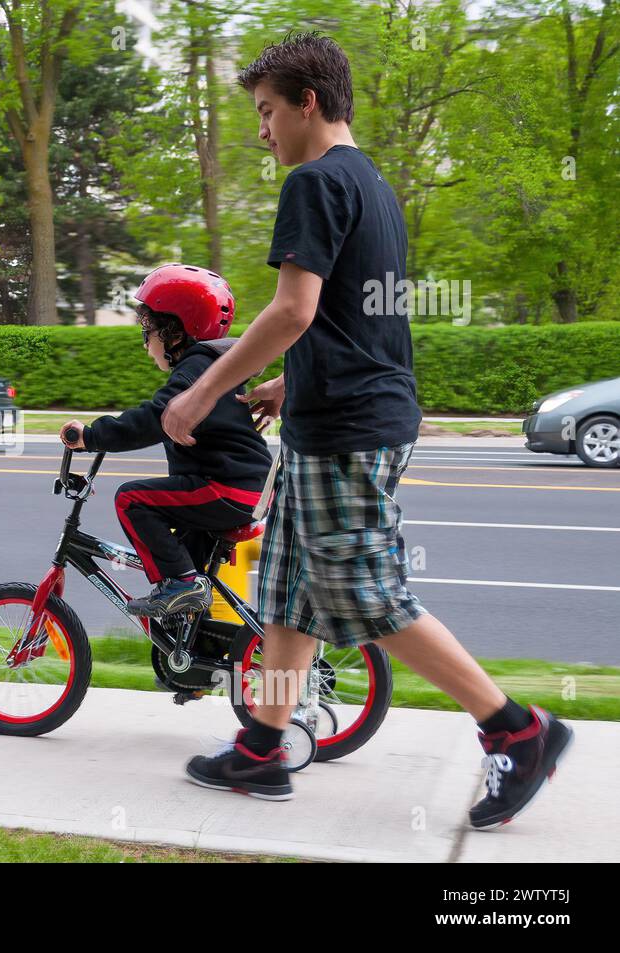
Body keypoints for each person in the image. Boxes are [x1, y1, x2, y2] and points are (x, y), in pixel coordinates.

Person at [158, 32, 572, 824]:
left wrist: (206, 389)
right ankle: (262, 747)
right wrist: (289, 382)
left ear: (307, 102)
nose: (261, 130)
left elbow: (293, 309)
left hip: (349, 430)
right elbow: (351, 323)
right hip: (340, 415)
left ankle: (517, 730)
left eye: (267, 111)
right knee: (286, 598)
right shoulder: (370, 182)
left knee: (367, 595)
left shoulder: (314, 183)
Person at [60, 265, 272, 618]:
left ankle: (182, 584)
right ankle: (198, 654)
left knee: (132, 500)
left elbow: (155, 417)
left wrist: (91, 436)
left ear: (175, 331)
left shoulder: (198, 366)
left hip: (223, 488)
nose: (145, 338)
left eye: (149, 326)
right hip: (236, 486)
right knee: (188, 586)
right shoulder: (212, 365)